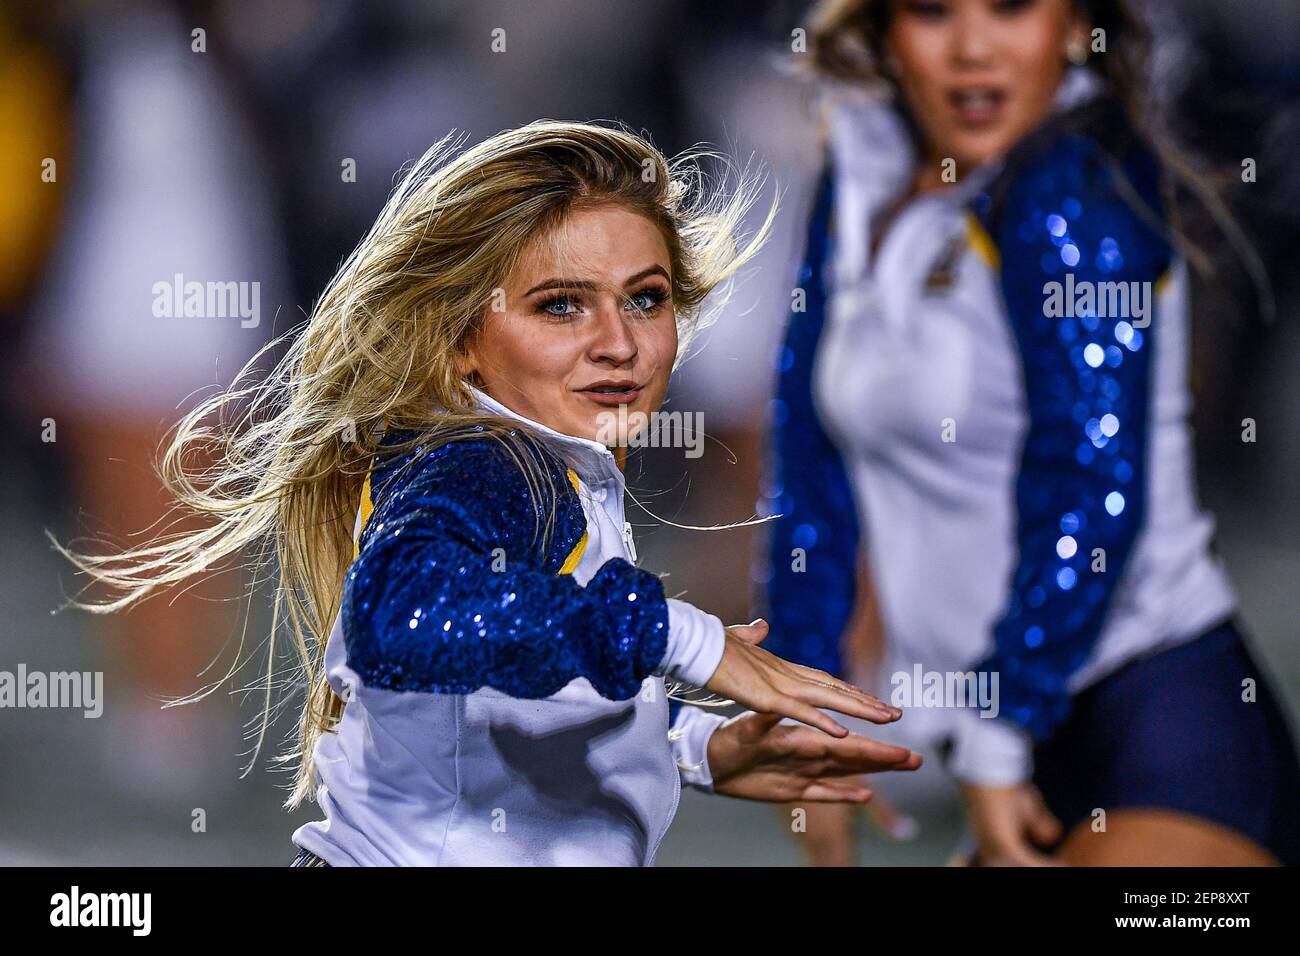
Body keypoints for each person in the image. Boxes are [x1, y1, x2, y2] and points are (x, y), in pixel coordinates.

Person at [60, 120, 921, 866]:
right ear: (461, 337)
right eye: (560, 306)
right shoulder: (490, 466)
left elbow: (504, 696)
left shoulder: (558, 468)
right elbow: (403, 613)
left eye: (646, 299)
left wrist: (696, 746)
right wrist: (674, 635)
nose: (619, 343)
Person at [761, 0, 1299, 866]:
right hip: (1013, 738)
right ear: (883, 29)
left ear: (1072, 20)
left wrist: (1002, 728)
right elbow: (810, 454)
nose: (974, 51)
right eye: (934, 12)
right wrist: (806, 709)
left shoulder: (1075, 186)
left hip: (1159, 731)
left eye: (1011, 7)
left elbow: (1088, 477)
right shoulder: (860, 172)